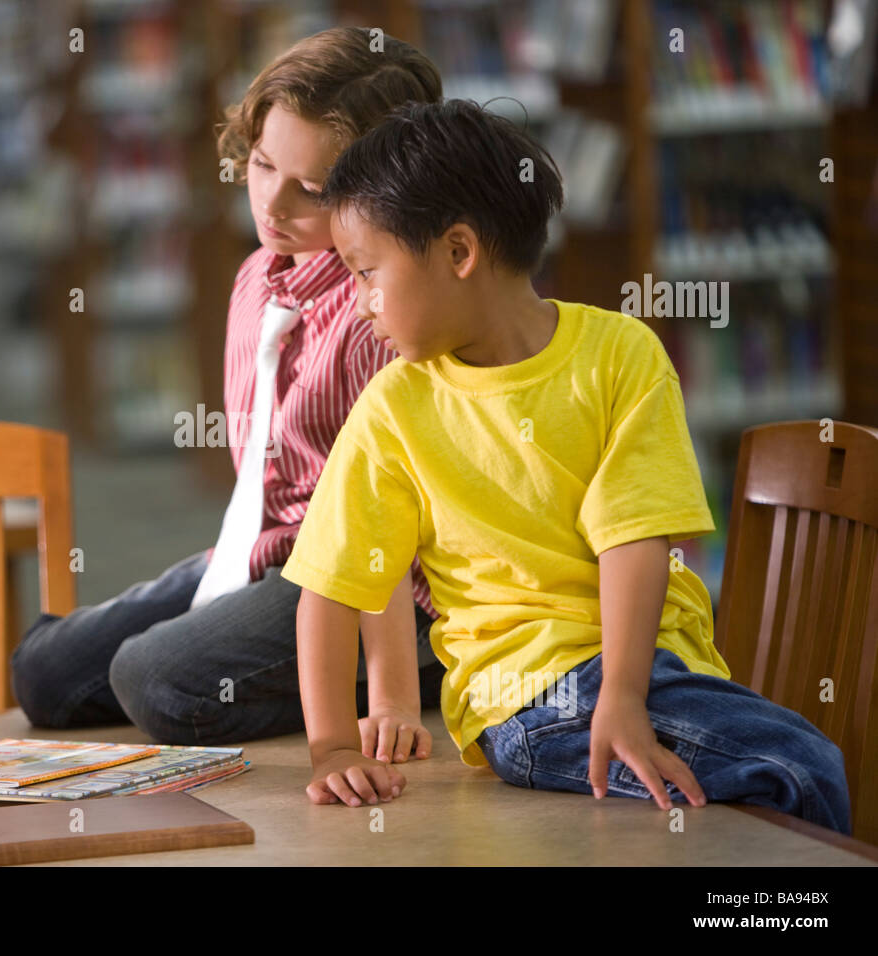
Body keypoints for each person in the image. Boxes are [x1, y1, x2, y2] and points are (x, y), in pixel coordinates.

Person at [281, 99, 850, 834]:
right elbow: (329, 586)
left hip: (643, 676)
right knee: (802, 766)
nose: (359, 305)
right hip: (526, 699)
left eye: (365, 272)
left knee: (755, 790)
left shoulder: (623, 354)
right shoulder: (395, 405)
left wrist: (623, 692)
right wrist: (329, 748)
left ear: (459, 252)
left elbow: (635, 538)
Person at [13, 27, 446, 757]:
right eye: (261, 163)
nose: (272, 205)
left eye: (310, 190)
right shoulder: (255, 278)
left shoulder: (381, 312)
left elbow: (387, 537)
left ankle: (420, 676)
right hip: (265, 549)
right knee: (43, 674)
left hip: (373, 586)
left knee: (156, 680)